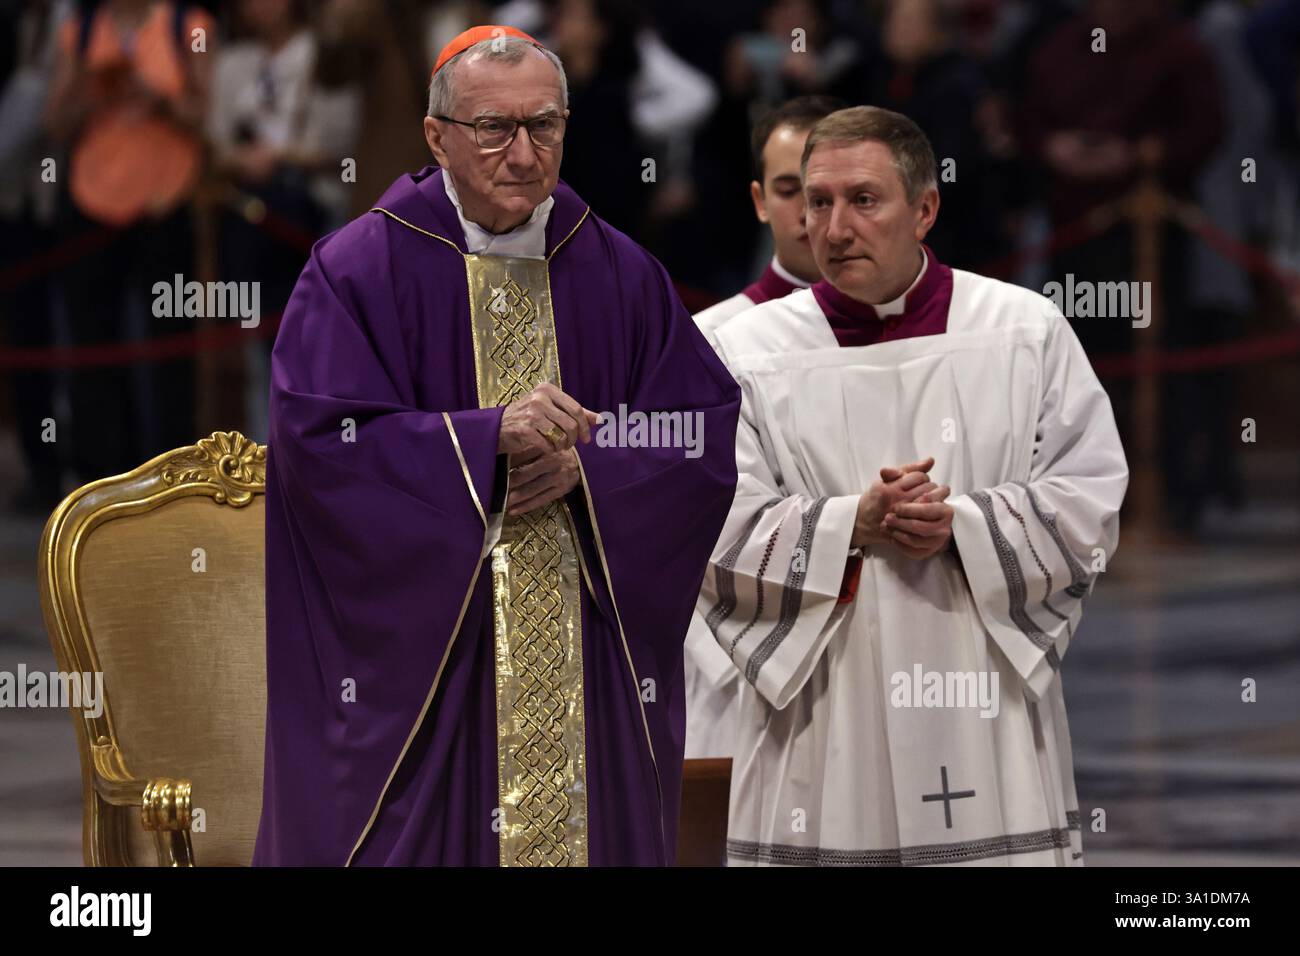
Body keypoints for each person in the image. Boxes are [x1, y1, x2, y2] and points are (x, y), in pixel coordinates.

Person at [253, 25, 740, 867]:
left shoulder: (621, 273)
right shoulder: (359, 269)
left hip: (585, 659)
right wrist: (480, 445)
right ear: (436, 136)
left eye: (543, 125)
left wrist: (590, 468)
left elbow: (695, 434)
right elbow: (318, 445)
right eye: (493, 128)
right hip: (432, 666)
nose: (522, 152)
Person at [701, 106, 1128, 866]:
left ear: (925, 209)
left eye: (863, 200)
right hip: (828, 696)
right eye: (818, 202)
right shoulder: (742, 353)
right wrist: (850, 524)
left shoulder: (1022, 331)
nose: (834, 228)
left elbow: (1088, 493)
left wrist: (963, 523)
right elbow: (709, 520)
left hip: (981, 684)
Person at [684, 93, 841, 762]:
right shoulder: (705, 341)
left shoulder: (924, 342)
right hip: (739, 656)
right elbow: (680, 518)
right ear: (758, 200)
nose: (810, 214)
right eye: (788, 190)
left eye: (829, 192)